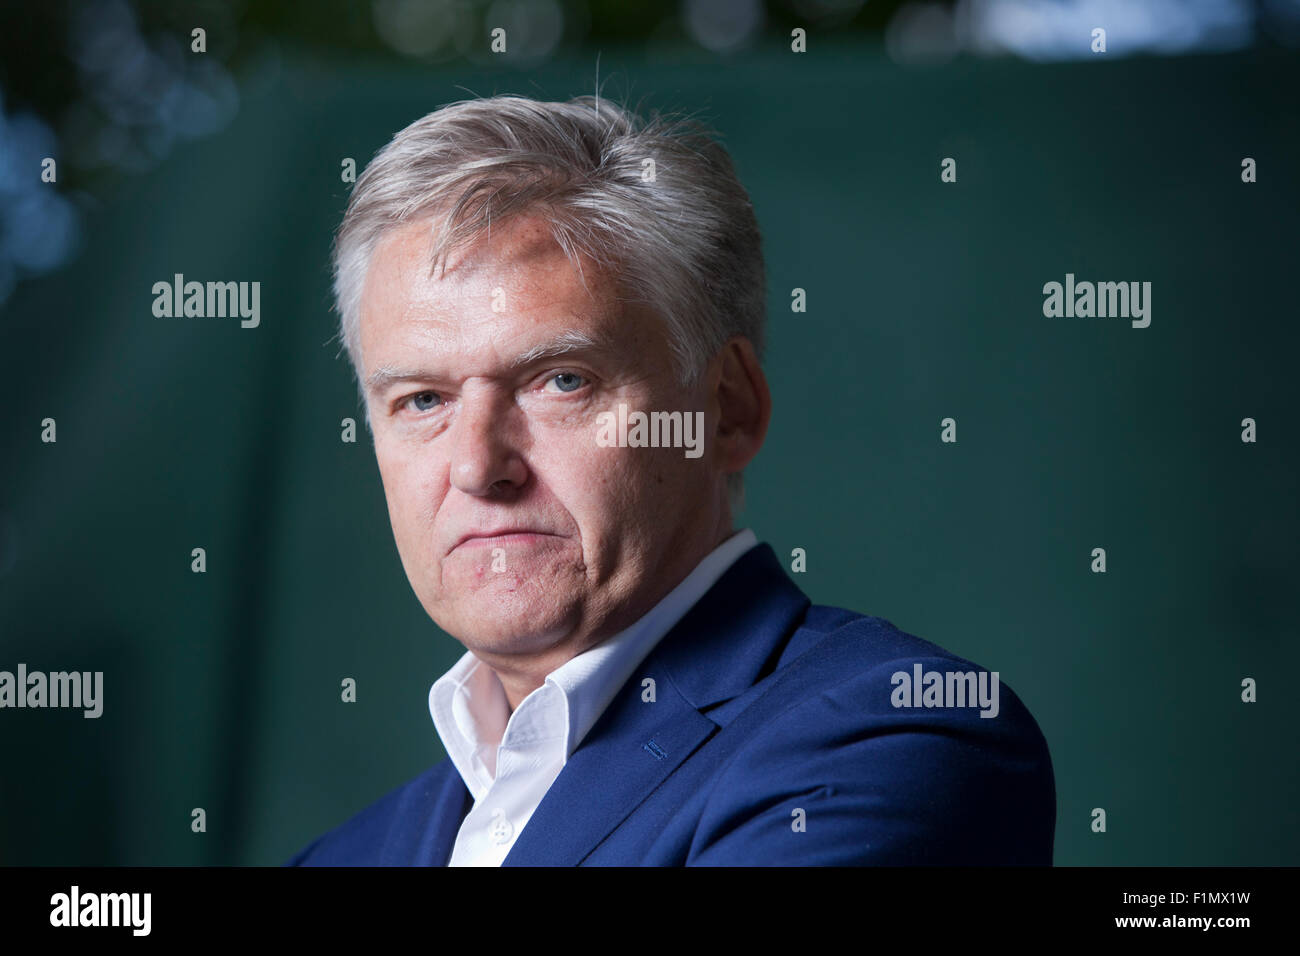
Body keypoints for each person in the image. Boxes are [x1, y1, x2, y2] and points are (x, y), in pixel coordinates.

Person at [287, 94, 1055, 866]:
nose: (478, 466)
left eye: (560, 380)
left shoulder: (895, 744)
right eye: (423, 400)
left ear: (728, 409)